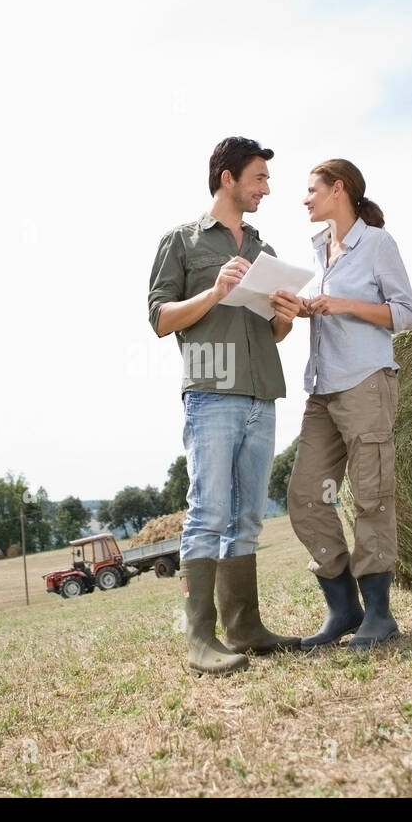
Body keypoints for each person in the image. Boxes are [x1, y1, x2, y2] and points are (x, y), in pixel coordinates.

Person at [147, 136, 304, 675]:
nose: (266, 189)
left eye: (267, 180)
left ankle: (245, 627)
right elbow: (162, 319)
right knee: (208, 513)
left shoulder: (264, 248)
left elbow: (274, 334)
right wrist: (214, 292)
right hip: (212, 392)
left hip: (263, 392)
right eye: (258, 178)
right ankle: (200, 641)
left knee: (248, 517)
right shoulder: (183, 243)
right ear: (227, 178)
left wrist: (283, 315)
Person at [285, 158, 412, 651]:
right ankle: (344, 609)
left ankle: (379, 616)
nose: (305, 198)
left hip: (366, 382)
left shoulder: (377, 243)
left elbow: (405, 315)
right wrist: (300, 308)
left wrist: (342, 304)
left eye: (311, 189)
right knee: (304, 497)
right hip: (322, 389)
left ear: (338, 190)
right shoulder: (319, 249)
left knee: (370, 497)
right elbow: (324, 310)